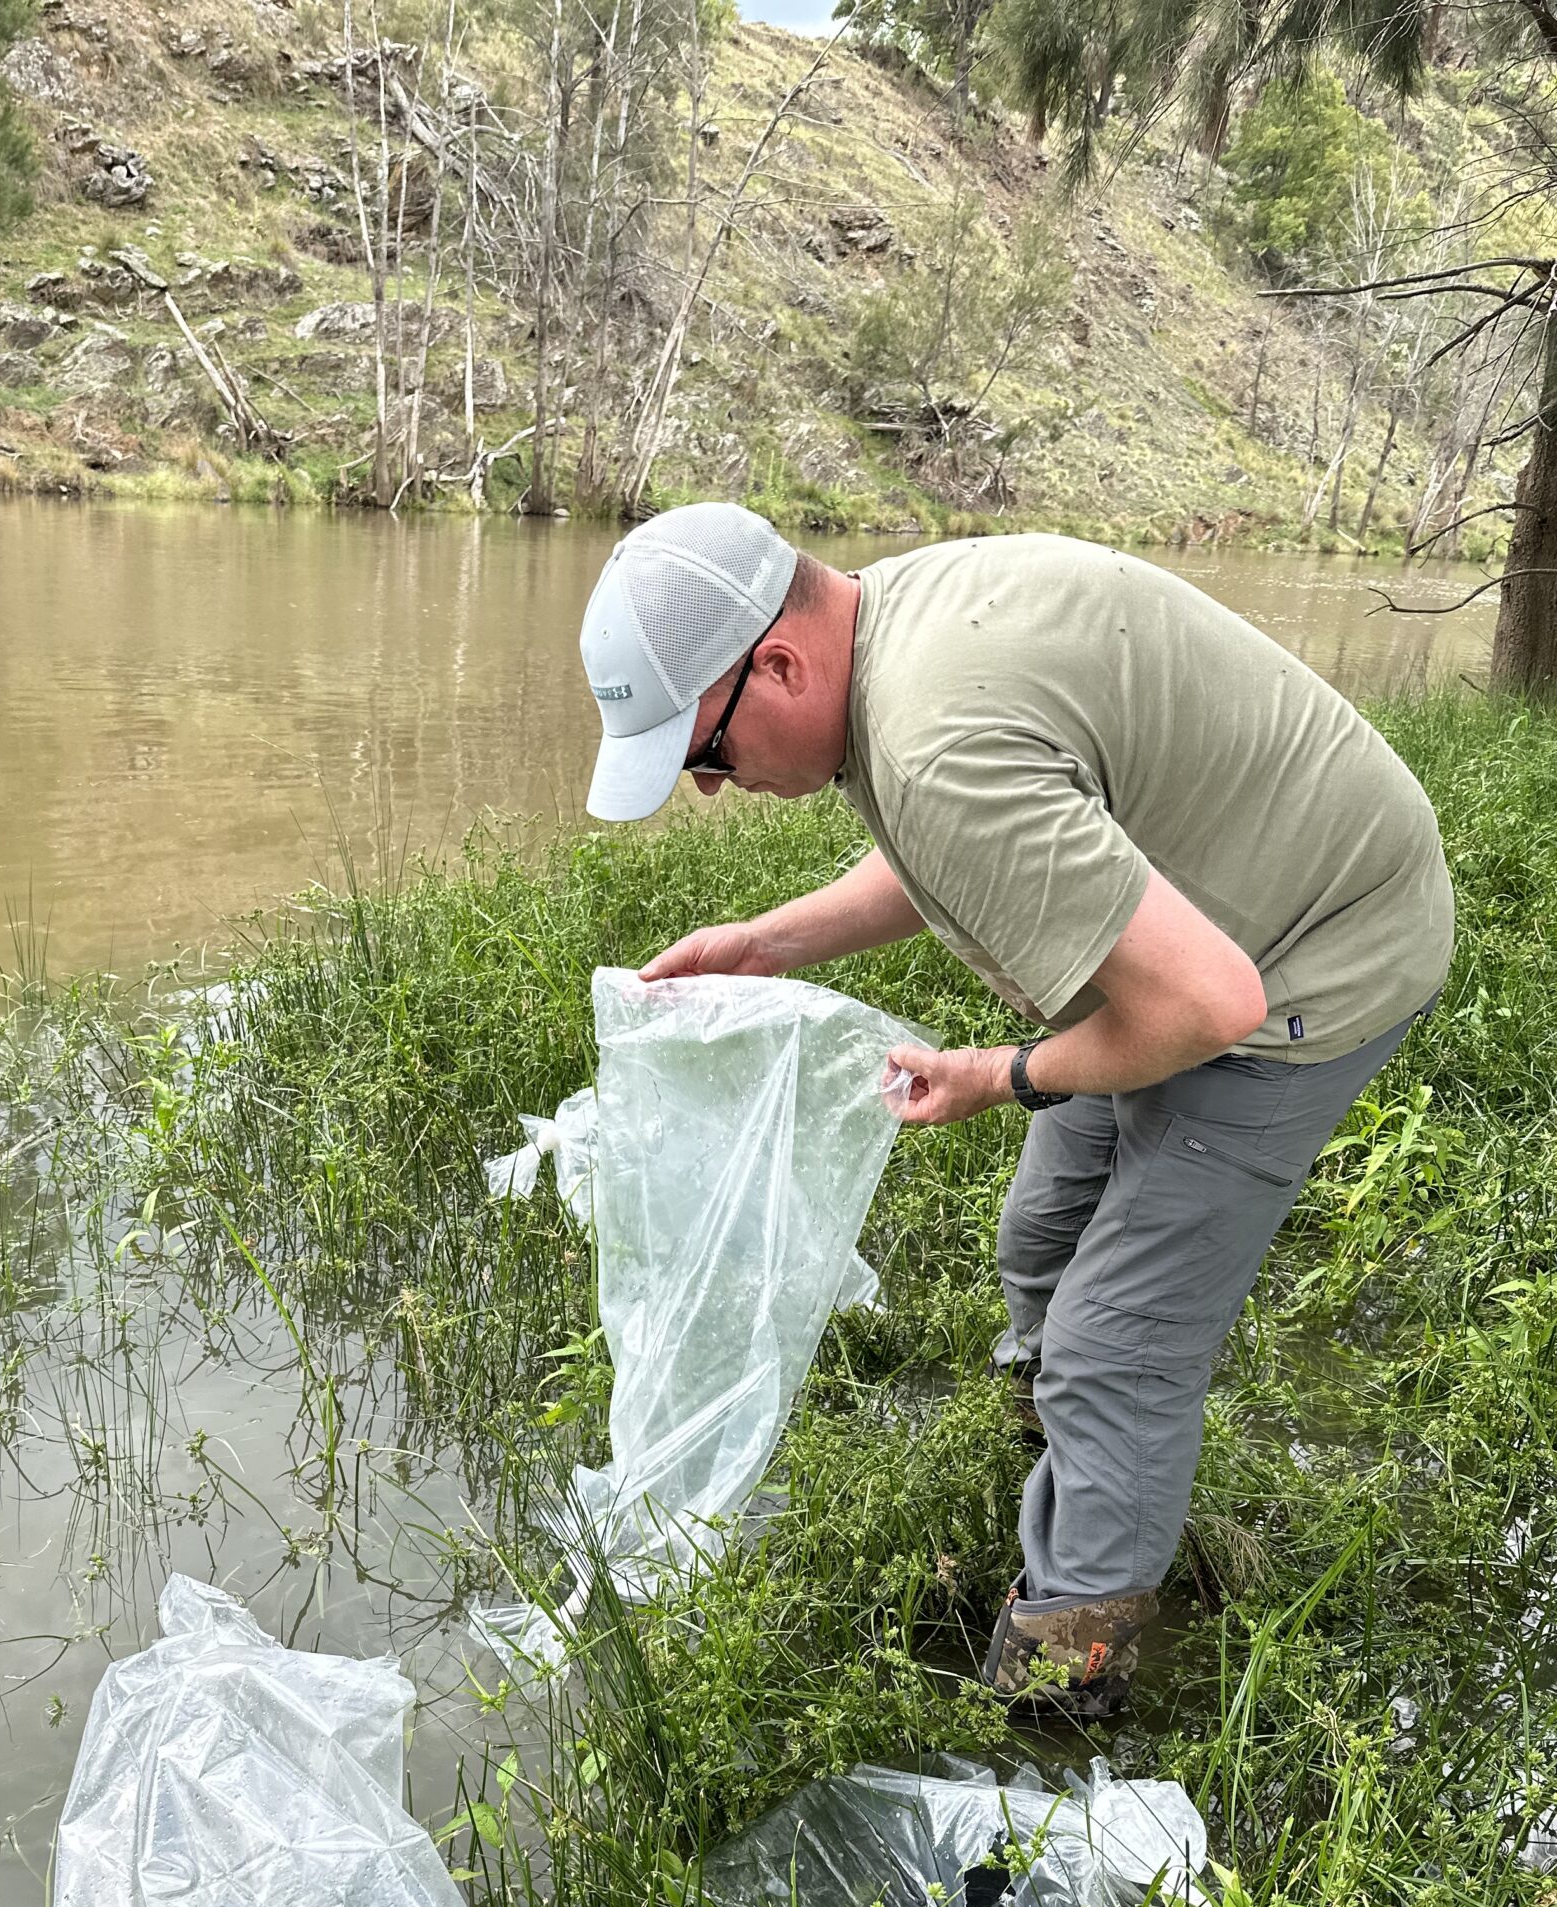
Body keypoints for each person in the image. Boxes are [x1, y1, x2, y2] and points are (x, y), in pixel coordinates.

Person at [577, 503, 1454, 1712]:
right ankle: (1073, 1464)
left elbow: (1206, 1006)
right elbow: (945, 840)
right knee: (1042, 1231)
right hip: (1200, 923)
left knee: (1113, 1346)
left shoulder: (936, 737)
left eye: (705, 755)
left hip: (1314, 956)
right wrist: (766, 944)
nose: (716, 790)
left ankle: (1058, 1700)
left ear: (777, 666)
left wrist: (1003, 1072)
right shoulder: (889, 632)